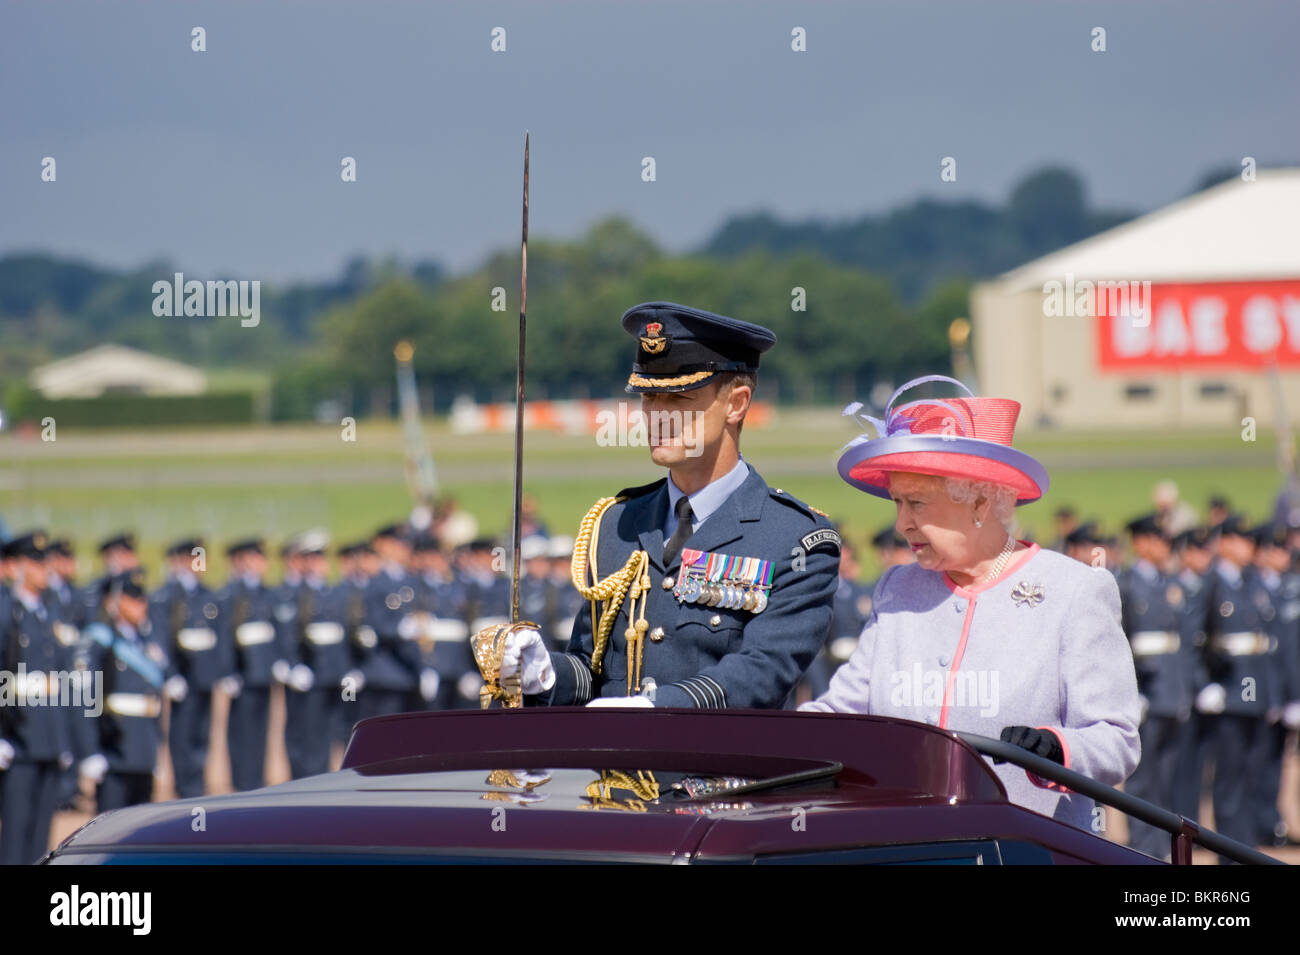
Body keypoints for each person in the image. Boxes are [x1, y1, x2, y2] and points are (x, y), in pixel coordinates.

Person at [800, 376, 1141, 833]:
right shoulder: (898, 587)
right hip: (903, 847)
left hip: (1028, 849)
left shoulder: (1073, 591)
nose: (901, 523)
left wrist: (1057, 748)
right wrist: (767, 737)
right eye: (897, 502)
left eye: (917, 502)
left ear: (980, 499)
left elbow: (1116, 740)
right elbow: (843, 713)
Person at [501, 302, 840, 708]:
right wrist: (545, 674)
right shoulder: (618, 523)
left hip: (722, 768)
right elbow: (594, 669)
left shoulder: (795, 540)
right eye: (649, 396)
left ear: (736, 403)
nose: (658, 414)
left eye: (679, 397)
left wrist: (658, 709)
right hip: (613, 767)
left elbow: (761, 673)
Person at [1116, 514, 1195, 859]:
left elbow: (1179, 644)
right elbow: (1120, 644)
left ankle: (1161, 847)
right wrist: (1132, 691)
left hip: (1169, 692)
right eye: (1161, 541)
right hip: (1146, 691)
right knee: (1143, 779)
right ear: (1143, 543)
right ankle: (1142, 848)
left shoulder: (1167, 584)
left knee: (1165, 777)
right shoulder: (1128, 584)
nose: (1167, 549)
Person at [75, 570, 183, 812]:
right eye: (132, 599)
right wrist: (89, 750)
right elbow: (83, 696)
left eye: (142, 599)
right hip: (114, 749)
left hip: (143, 750)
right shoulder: (100, 640)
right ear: (114, 602)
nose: (140, 605)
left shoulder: (146, 643)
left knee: (139, 833)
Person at [0, 533, 75, 864]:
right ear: (17, 566)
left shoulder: (50, 614)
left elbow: (64, 681)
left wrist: (66, 739)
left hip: (48, 739)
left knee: (42, 840)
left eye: (47, 562)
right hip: (18, 740)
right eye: (36, 562)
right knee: (15, 837)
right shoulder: (6, 613)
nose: (46, 569)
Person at [150, 537, 225, 798]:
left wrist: (221, 672)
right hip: (183, 673)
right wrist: (169, 675)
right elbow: (160, 638)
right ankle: (185, 784)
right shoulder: (167, 595)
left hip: (203, 674)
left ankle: (197, 779)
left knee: (202, 732)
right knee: (182, 733)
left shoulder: (207, 595)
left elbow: (218, 636)